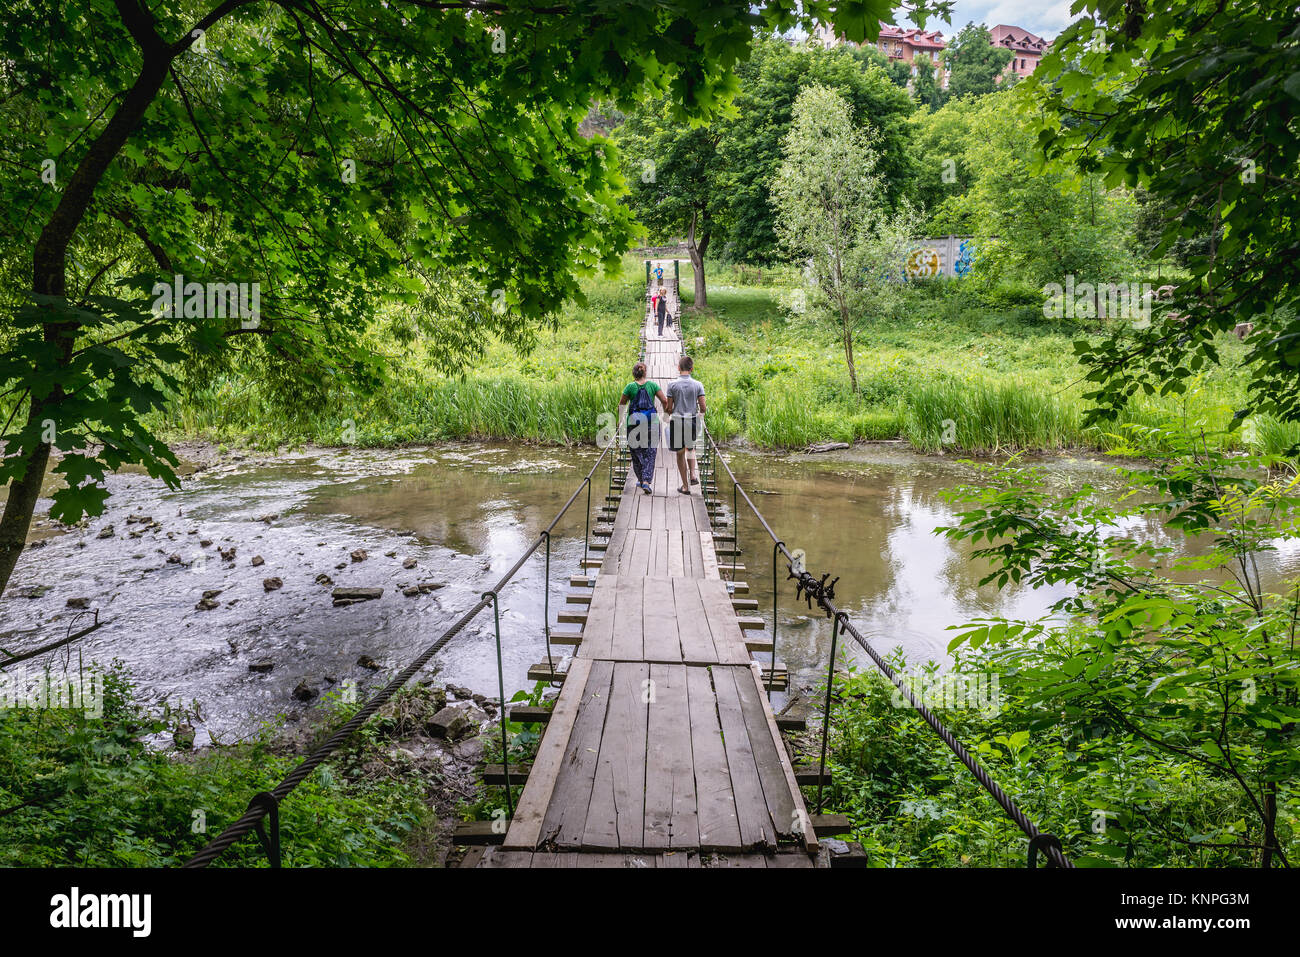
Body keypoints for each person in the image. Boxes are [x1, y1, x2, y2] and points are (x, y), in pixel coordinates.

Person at [618, 361, 667, 494]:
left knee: (636, 453)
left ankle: (641, 479)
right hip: (652, 423)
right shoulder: (652, 385)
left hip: (634, 424)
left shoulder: (629, 387)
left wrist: (620, 421)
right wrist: (666, 414)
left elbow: (621, 405)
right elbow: (664, 400)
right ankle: (646, 481)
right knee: (650, 453)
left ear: (634, 374)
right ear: (645, 373)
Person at [665, 355, 705, 494]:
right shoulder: (698, 385)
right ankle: (693, 474)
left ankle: (685, 486)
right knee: (690, 448)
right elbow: (703, 407)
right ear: (691, 368)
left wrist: (668, 411)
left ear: (678, 368)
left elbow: (669, 408)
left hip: (677, 420)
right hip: (692, 420)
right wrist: (699, 415)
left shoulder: (672, 385)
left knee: (680, 453)